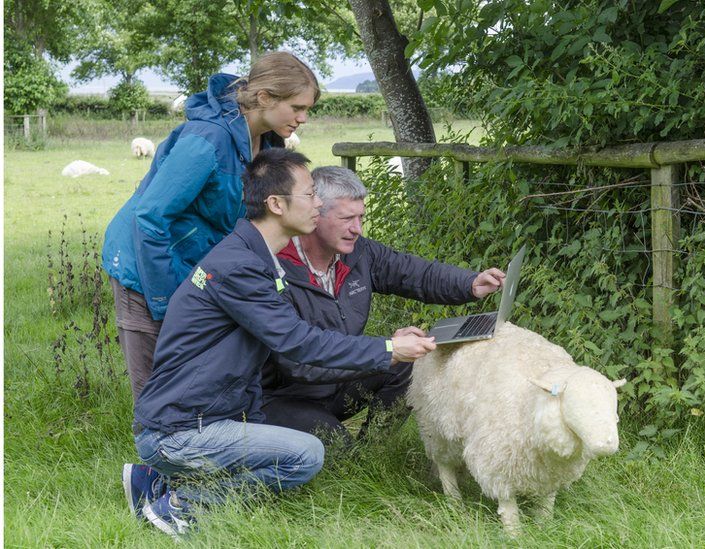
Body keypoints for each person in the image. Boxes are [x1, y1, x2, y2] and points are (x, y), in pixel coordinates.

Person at [123, 149, 437, 539]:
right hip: (181, 429)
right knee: (306, 455)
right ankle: (181, 504)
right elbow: (299, 343)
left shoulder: (254, 254)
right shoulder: (241, 266)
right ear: (275, 204)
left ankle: (154, 479)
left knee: (292, 451)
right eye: (309, 194)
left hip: (203, 416)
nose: (318, 203)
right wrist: (388, 350)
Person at [102, 51, 320, 401]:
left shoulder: (267, 142)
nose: (303, 118)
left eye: (307, 109)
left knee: (198, 376)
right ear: (264, 97)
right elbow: (150, 217)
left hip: (195, 264)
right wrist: (168, 302)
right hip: (147, 263)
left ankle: (203, 447)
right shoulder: (206, 140)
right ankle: (151, 452)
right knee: (160, 383)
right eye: (297, 107)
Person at [260, 166, 506, 439]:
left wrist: (470, 283)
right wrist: (385, 349)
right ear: (315, 213)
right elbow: (298, 363)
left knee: (407, 364)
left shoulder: (359, 253)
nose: (357, 229)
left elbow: (414, 272)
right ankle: (341, 449)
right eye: (346, 218)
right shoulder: (273, 270)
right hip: (282, 396)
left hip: (338, 381)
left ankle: (375, 449)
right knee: (336, 449)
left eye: (361, 217)